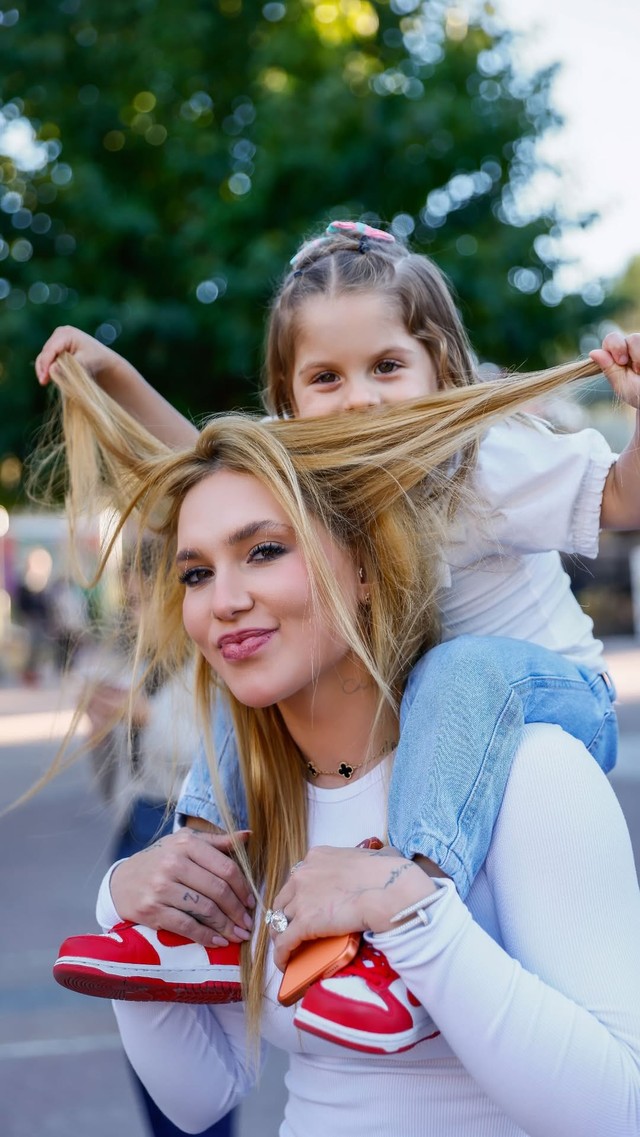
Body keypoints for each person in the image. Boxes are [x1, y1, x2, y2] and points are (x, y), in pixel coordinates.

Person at [41, 223, 637, 1038]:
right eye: (327, 378)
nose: (360, 397)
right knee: (244, 643)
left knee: (456, 665)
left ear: (441, 370)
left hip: (555, 698)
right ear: (289, 403)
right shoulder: (320, 478)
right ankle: (201, 901)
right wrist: (111, 371)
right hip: (435, 712)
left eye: (387, 366)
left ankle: (402, 906)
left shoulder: (484, 457)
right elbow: (199, 463)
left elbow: (623, 501)